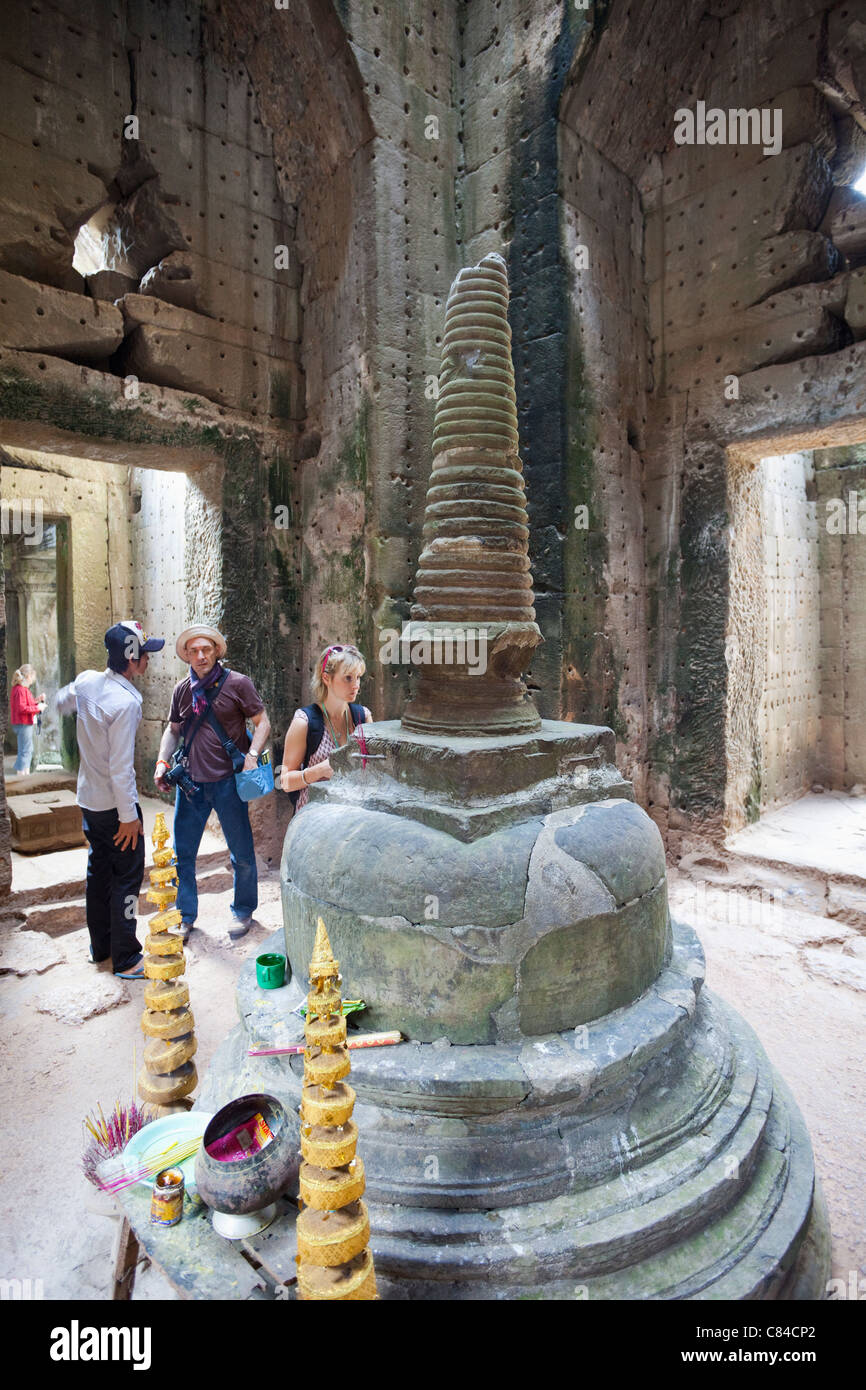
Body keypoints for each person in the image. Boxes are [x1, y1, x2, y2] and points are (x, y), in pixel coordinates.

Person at [56, 621, 165, 980]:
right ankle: (126, 957)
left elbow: (61, 701)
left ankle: (99, 946)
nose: (148, 659)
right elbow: (121, 768)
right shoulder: (127, 701)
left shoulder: (88, 681)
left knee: (98, 872)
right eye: (145, 653)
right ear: (132, 657)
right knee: (128, 880)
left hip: (89, 799)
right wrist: (128, 817)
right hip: (116, 807)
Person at [154, 625, 271, 944]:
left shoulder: (238, 684)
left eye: (206, 649)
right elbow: (173, 730)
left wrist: (253, 754)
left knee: (242, 852)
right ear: (187, 655)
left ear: (217, 651)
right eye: (193, 651)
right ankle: (185, 916)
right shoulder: (182, 689)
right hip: (190, 783)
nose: (201, 655)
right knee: (183, 855)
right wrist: (162, 761)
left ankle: (243, 909)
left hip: (228, 783)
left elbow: (263, 722)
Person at [280, 643, 372, 809]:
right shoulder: (304, 721)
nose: (356, 685)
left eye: (358, 677)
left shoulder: (363, 717)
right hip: (314, 819)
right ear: (326, 678)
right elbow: (285, 782)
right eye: (348, 678)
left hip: (353, 814)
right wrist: (318, 771)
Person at [9, 664, 46, 775]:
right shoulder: (21, 690)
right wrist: (38, 708)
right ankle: (22, 772)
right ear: (28, 676)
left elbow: (25, 704)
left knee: (25, 749)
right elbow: (22, 708)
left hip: (21, 722)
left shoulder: (20, 689)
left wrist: (37, 700)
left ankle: (24, 771)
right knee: (26, 750)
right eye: (32, 677)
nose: (32, 680)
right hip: (23, 723)